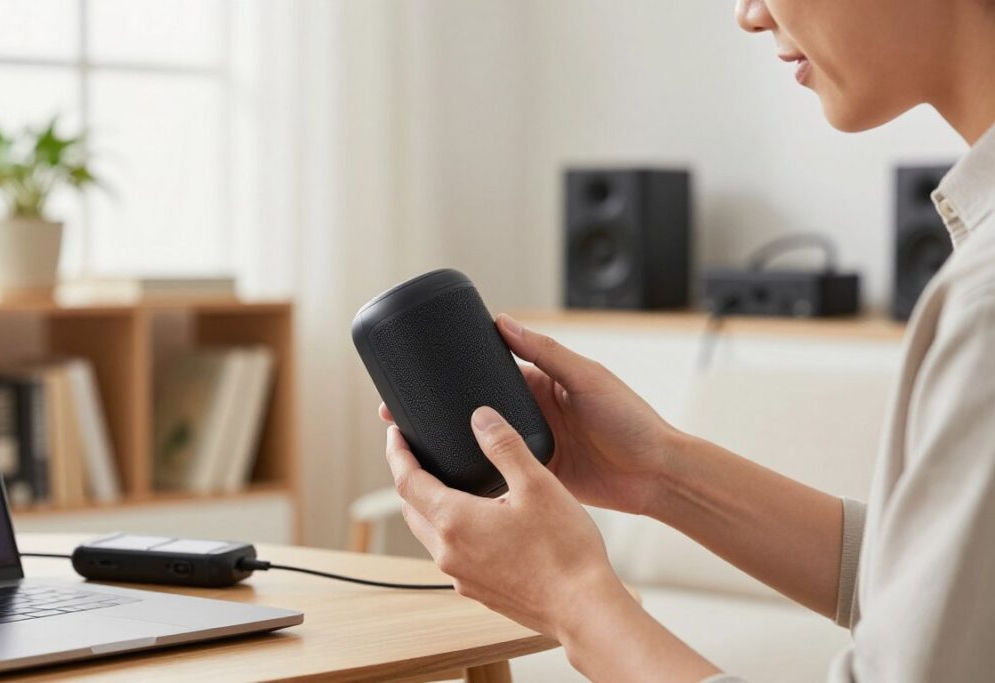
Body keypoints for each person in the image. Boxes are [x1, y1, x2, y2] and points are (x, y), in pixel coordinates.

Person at [381, 0, 995, 680]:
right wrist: (659, 471)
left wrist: (572, 600)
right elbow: (939, 592)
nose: (749, 13)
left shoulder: (984, 303)